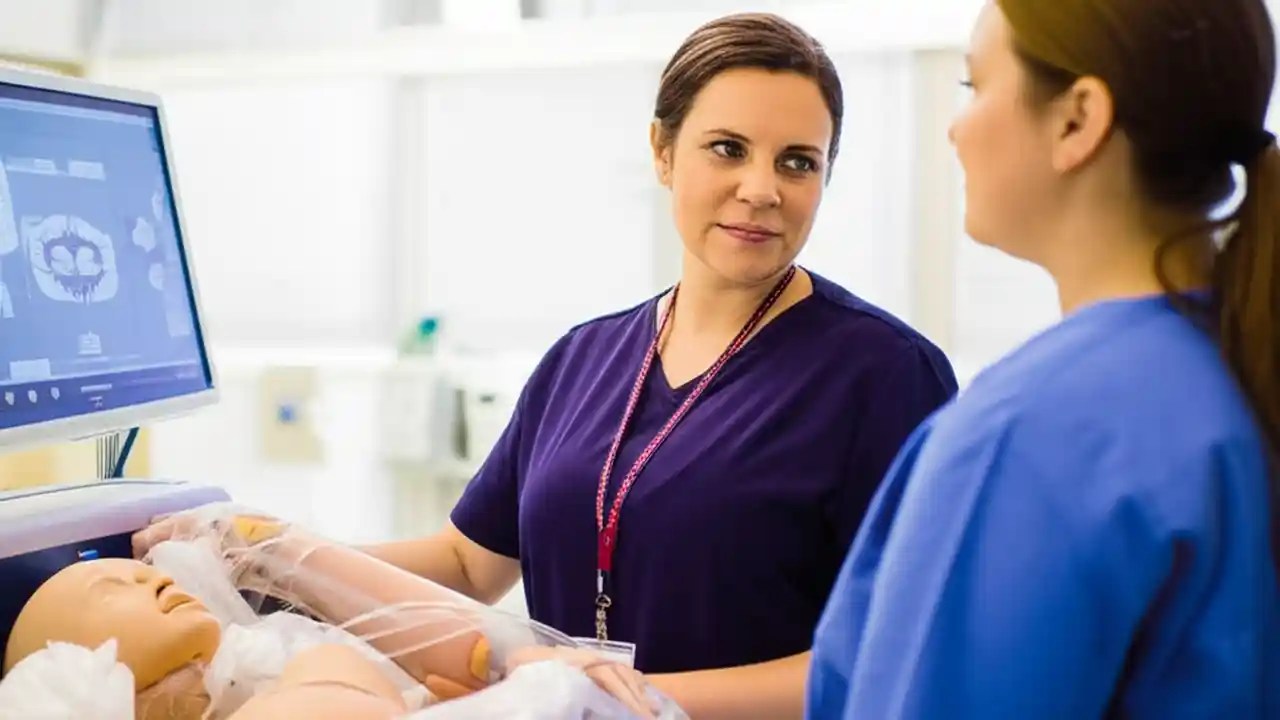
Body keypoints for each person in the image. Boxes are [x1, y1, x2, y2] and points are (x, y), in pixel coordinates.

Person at [361, 12, 956, 719]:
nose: (763, 189)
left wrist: (611, 699)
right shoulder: (581, 359)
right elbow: (467, 564)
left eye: (798, 161)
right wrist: (271, 556)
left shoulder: (884, 375)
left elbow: (895, 655)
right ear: (663, 151)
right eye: (728, 149)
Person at [807, 1, 1280, 718]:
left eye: (974, 86)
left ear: (1077, 120)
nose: (955, 127)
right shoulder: (1235, 372)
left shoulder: (1033, 437)